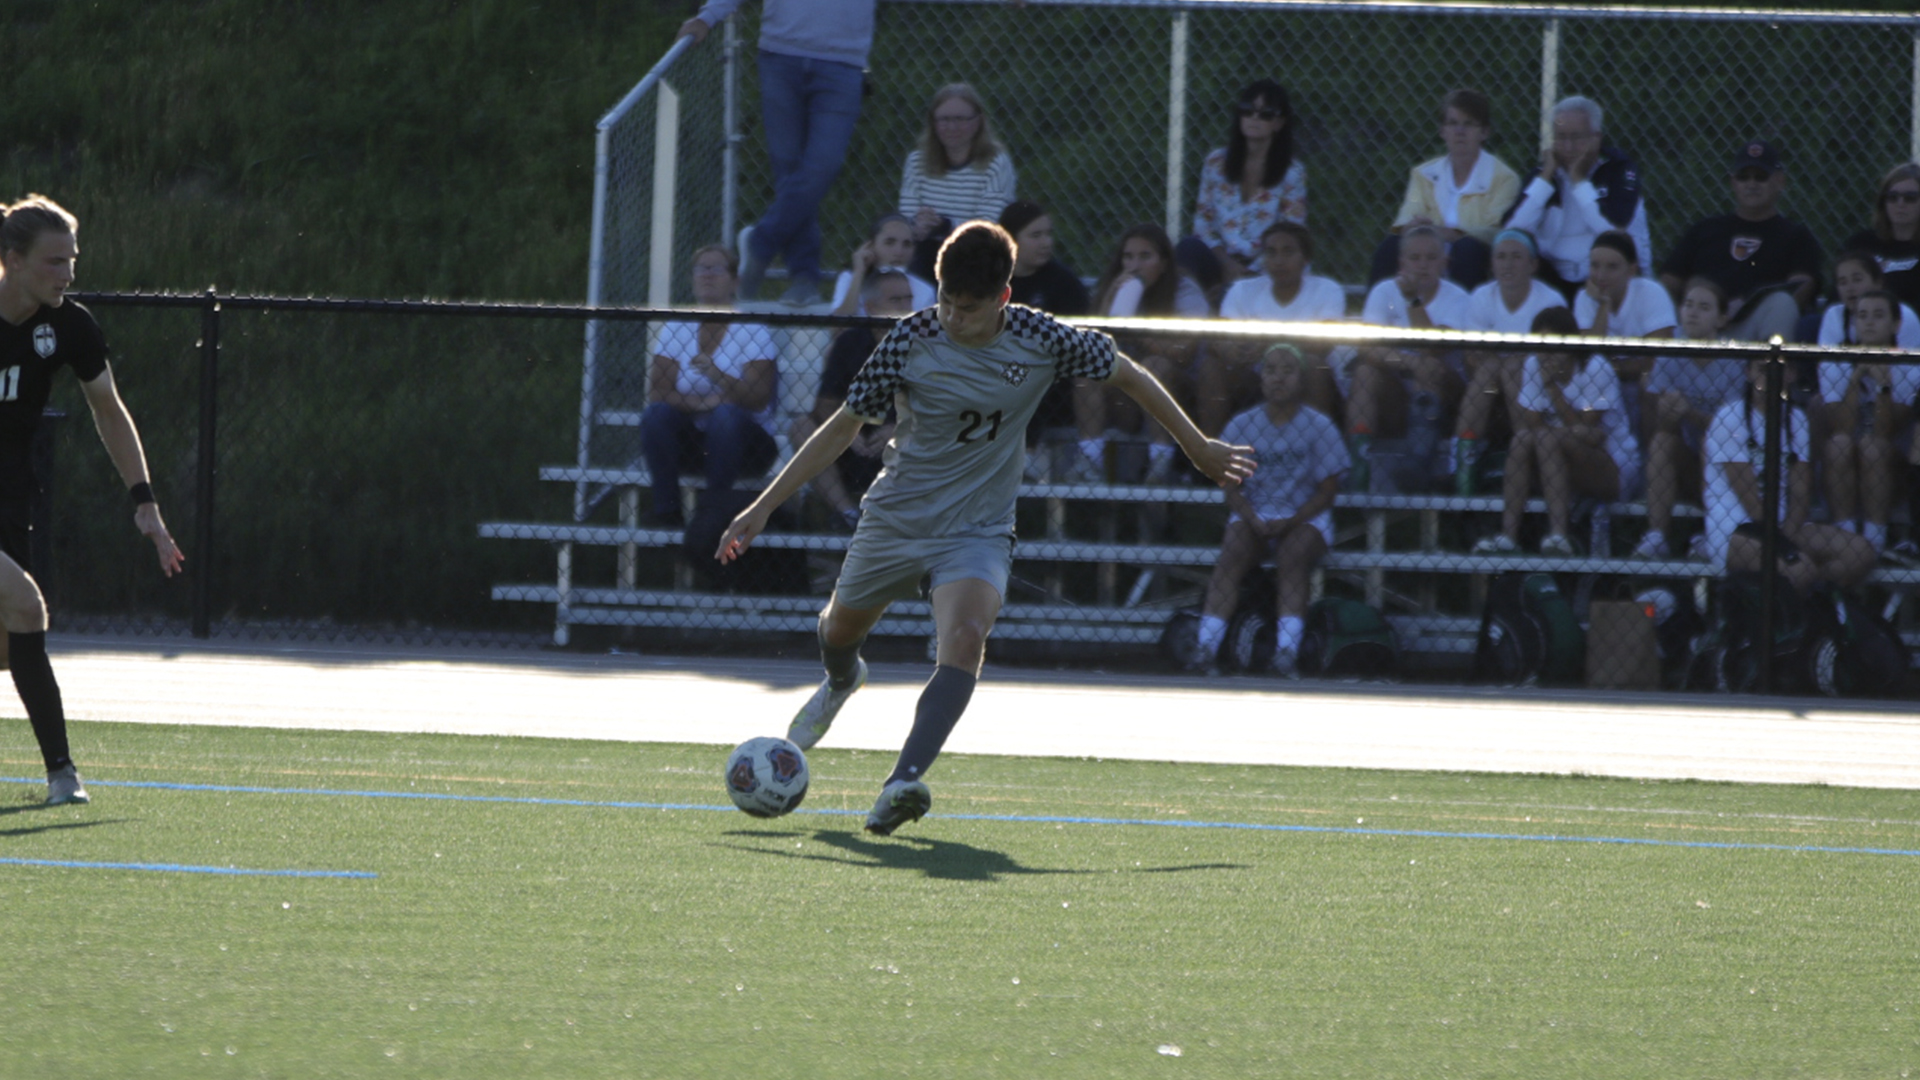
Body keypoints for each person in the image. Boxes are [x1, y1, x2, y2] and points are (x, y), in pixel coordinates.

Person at [713, 221, 1254, 836]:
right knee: (838, 633)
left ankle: (900, 783)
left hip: (978, 528)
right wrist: (762, 506)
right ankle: (842, 680)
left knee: (966, 637)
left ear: (1003, 298)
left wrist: (1198, 446)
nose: (951, 316)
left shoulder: (1040, 336)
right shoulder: (909, 339)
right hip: (896, 518)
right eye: (945, 300)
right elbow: (841, 426)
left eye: (967, 308)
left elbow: (1128, 373)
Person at [0, 195, 185, 805]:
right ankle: (63, 775)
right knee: (27, 608)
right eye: (54, 262)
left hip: (10, 500)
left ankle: (61, 775)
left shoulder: (69, 325)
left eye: (72, 260)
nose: (68, 273)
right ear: (13, 260)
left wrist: (145, 502)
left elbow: (108, 409)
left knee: (7, 647)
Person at [677, 0, 876, 304]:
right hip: (780, 56)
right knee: (789, 171)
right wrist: (707, 17)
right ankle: (804, 278)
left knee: (824, 164)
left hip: (843, 62)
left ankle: (761, 242)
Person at [1191, 344, 1346, 677]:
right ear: (1261, 377)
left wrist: (1293, 520)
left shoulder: (1319, 426)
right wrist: (1252, 518)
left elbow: (1328, 491)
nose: (1279, 378)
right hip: (1255, 513)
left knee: (1293, 555)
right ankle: (1205, 648)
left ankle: (1286, 653)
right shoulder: (1242, 425)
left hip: (1305, 517)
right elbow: (1230, 486)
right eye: (1271, 370)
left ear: (1301, 379)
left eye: (1288, 371)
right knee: (1232, 551)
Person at [1472, 306, 1637, 556]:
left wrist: (1551, 389)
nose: (1544, 353)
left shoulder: (1596, 368)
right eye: (1540, 345)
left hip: (1612, 463)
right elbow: (1532, 426)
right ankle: (1507, 536)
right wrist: (1571, 430)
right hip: (1558, 456)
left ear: (1570, 344)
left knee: (1546, 439)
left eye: (1552, 344)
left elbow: (1589, 429)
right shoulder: (1533, 364)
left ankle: (1559, 536)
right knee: (1521, 440)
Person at [639, 245, 780, 527]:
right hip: (694, 443)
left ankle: (712, 514)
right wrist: (705, 403)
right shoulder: (677, 327)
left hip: (746, 446)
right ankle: (667, 513)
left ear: (735, 281)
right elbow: (657, 393)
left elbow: (759, 398)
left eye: (716, 269)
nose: (707, 275)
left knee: (725, 417)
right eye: (701, 268)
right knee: (655, 415)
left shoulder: (753, 330)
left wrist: (718, 375)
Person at [1705, 360, 1875, 591]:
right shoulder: (1730, 418)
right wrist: (1785, 547)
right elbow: (1751, 501)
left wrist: (1789, 533)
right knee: (1799, 571)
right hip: (1736, 527)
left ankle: (1812, 597)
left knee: (1860, 554)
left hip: (1785, 525)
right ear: (1749, 373)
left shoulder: (1796, 419)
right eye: (1763, 370)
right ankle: (1795, 600)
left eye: (1779, 369)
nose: (1770, 376)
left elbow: (1800, 492)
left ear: (1792, 374)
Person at [1072, 224, 1211, 484]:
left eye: (1145, 256)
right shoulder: (1117, 288)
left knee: (1155, 365)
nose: (1135, 266)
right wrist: (1109, 302)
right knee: (1088, 367)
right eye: (1128, 257)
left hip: (1178, 396)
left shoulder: (1184, 290)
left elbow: (1184, 352)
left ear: (1164, 262)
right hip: (1128, 398)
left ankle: (1161, 462)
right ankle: (1089, 461)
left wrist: (1137, 332)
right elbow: (1092, 347)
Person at [1657, 140, 1823, 343]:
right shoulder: (1705, 229)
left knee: (1783, 301)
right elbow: (1669, 281)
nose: (1751, 184)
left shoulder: (1796, 236)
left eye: (1761, 177)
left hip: (1754, 330)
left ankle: (1769, 364)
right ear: (1733, 182)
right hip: (1704, 327)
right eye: (1743, 177)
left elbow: (1801, 287)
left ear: (1780, 181)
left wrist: (1746, 306)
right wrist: (1704, 307)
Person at [1348, 225, 1472, 491]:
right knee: (1365, 371)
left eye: (1431, 258)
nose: (1423, 265)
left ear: (1444, 262)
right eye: (1415, 258)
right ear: (1402, 263)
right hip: (1397, 395)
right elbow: (1368, 347)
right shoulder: (1384, 291)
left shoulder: (1458, 298)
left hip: (1444, 399)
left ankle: (1418, 462)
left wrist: (1413, 301)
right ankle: (1359, 463)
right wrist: (1411, 362)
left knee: (1430, 367)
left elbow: (1434, 348)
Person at [1633, 277, 1746, 559]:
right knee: (1662, 441)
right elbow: (1662, 426)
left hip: (1728, 466)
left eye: (1704, 308)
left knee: (1711, 441)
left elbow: (1730, 429)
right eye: (1688, 305)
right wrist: (1667, 413)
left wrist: (1688, 413)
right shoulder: (1670, 352)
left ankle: (1712, 533)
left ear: (1721, 319)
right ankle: (1657, 536)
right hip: (1686, 464)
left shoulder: (1734, 359)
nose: (1693, 313)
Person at [792, 269, 913, 530]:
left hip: (904, 447)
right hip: (849, 445)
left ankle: (901, 520)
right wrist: (847, 429)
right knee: (801, 427)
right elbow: (825, 404)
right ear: (870, 308)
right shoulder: (849, 342)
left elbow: (941, 407)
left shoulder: (928, 345)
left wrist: (900, 428)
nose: (906, 307)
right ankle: (848, 515)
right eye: (896, 300)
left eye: (908, 299)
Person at [1501, 96, 1654, 299]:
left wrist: (1579, 181)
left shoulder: (1618, 169)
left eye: (1577, 138)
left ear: (1596, 138)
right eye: (1561, 137)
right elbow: (1512, 231)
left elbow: (1612, 231)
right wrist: (1545, 178)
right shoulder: (1545, 174)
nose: (1568, 147)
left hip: (1602, 275)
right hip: (1551, 277)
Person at [1371, 88, 1522, 290]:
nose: (1460, 131)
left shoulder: (1504, 178)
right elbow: (1406, 218)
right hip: (1429, 251)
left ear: (1484, 132)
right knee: (1391, 245)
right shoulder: (1424, 174)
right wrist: (1414, 226)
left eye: (1469, 124)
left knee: (1467, 249)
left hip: (1472, 257)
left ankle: (1464, 310)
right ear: (1442, 131)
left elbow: (1495, 231)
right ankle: (1377, 306)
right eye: (1452, 123)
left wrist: (1452, 234)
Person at [1453, 228, 1568, 493]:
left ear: (1532, 265)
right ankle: (1462, 468)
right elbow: (1472, 357)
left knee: (1511, 367)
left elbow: (1553, 362)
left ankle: (1526, 461)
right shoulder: (1481, 296)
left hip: (1539, 392)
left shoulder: (1550, 301)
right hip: (1489, 390)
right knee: (1495, 369)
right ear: (1492, 264)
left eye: (1516, 257)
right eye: (1501, 256)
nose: (1508, 264)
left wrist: (1508, 364)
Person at [1177, 79, 1307, 300]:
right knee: (1188, 248)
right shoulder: (1216, 163)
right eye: (1247, 110)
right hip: (1220, 262)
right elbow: (1203, 225)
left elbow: (1291, 233)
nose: (1254, 118)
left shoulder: (1292, 173)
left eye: (1265, 114)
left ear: (1279, 123)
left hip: (1266, 268)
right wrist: (1227, 265)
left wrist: (1248, 273)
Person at [1214, 221, 1349, 436]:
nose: (1279, 261)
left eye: (1288, 252)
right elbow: (1220, 338)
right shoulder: (1242, 290)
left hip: (1305, 374)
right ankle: (1208, 449)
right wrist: (1234, 351)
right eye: (1271, 253)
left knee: (1315, 365)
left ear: (1306, 258)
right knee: (1212, 367)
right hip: (1253, 376)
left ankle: (1315, 447)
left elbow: (1324, 342)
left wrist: (1268, 346)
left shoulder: (1326, 289)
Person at [1818, 287, 1915, 553]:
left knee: (1873, 447)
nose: (1869, 322)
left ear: (1895, 324)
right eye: (1862, 316)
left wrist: (1883, 385)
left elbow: (1887, 431)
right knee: (1838, 444)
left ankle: (1875, 539)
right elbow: (1842, 428)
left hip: (1893, 460)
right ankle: (1846, 535)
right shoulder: (1835, 361)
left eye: (1878, 315)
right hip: (1847, 455)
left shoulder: (1910, 364)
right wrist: (1855, 379)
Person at [999, 201, 1091, 472]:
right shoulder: (991, 280)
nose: (1046, 242)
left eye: (1048, 234)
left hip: (1053, 382)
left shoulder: (1062, 282)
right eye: (1036, 235)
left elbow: (1081, 340)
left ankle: (1026, 458)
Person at [899, 84, 1018, 282]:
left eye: (961, 119)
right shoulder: (916, 162)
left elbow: (989, 225)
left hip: (973, 255)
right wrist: (917, 226)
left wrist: (945, 226)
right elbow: (906, 216)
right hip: (924, 251)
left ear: (978, 121)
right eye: (944, 120)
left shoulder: (996, 163)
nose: (952, 127)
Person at [1842, 162, 1920, 312]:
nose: (1900, 203)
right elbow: (1838, 293)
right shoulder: (1860, 244)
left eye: (1910, 198)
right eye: (1892, 197)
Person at [828, 213, 936, 317]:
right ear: (871, 245)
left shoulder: (925, 291)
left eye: (907, 244)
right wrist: (859, 273)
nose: (899, 252)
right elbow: (839, 325)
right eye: (889, 242)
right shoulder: (850, 279)